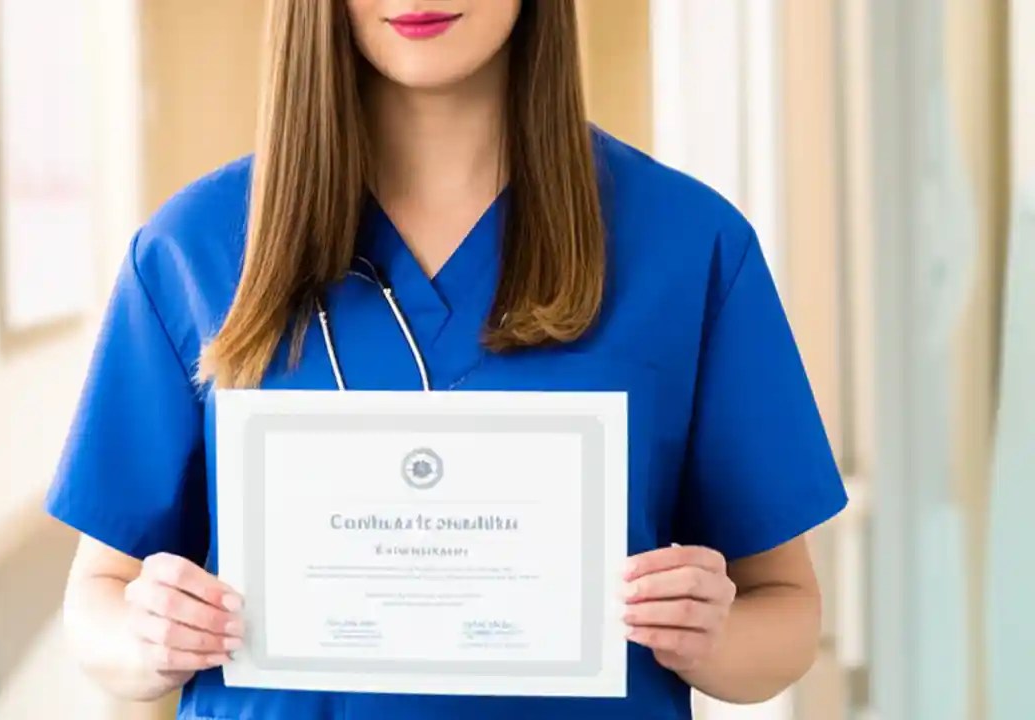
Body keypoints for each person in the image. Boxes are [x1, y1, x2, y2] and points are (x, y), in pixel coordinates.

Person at [46, 1, 848, 718]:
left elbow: (786, 611)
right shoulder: (196, 249)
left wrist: (711, 637)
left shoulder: (688, 245)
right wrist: (148, 634)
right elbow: (96, 600)